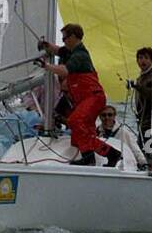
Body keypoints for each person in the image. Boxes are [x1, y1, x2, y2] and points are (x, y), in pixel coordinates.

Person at [38, 23, 121, 167]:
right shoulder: (70, 51)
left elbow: (65, 71)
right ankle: (96, 157)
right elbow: (58, 50)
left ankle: (104, 155)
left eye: (65, 38)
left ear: (74, 37)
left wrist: (46, 66)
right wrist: (46, 45)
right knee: (78, 137)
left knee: (75, 121)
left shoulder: (80, 55)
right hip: (84, 99)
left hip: (93, 97)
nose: (63, 41)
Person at [128, 47, 152, 152]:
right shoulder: (142, 77)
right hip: (145, 123)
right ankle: (149, 167)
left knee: (148, 154)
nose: (143, 61)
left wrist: (137, 86)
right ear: (137, 61)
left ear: (151, 60)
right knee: (144, 153)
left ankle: (150, 168)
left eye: (146, 58)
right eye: (140, 58)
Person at [97, 105, 146, 170]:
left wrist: (144, 164)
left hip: (122, 167)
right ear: (99, 117)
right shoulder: (96, 132)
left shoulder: (123, 132)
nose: (107, 117)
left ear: (114, 116)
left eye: (110, 115)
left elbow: (136, 150)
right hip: (101, 167)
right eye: (104, 115)